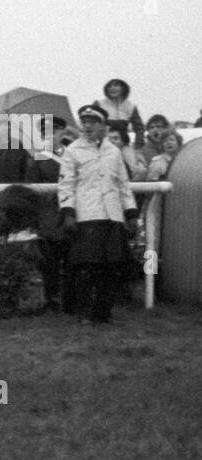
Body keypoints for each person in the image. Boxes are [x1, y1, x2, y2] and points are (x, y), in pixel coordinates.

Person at [58, 104, 137, 325]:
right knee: (87, 267)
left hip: (112, 216)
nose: (88, 126)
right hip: (87, 216)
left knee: (111, 267)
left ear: (104, 125)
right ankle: (83, 312)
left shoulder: (114, 151)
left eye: (93, 122)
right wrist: (68, 213)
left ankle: (103, 313)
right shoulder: (73, 150)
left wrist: (131, 214)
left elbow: (123, 184)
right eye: (85, 122)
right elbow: (66, 185)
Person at [24, 118, 75, 313]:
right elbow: (32, 191)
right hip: (48, 218)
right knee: (49, 263)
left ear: (63, 133)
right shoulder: (38, 159)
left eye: (54, 130)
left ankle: (72, 300)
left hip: (71, 214)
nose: (50, 135)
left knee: (72, 260)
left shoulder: (73, 155)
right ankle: (51, 300)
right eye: (45, 131)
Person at [95, 78, 144, 148]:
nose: (112, 88)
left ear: (123, 88)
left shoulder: (131, 106)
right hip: (102, 145)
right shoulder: (99, 104)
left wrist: (138, 146)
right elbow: (91, 125)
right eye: (109, 86)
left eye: (116, 85)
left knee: (132, 158)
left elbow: (139, 128)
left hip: (123, 145)